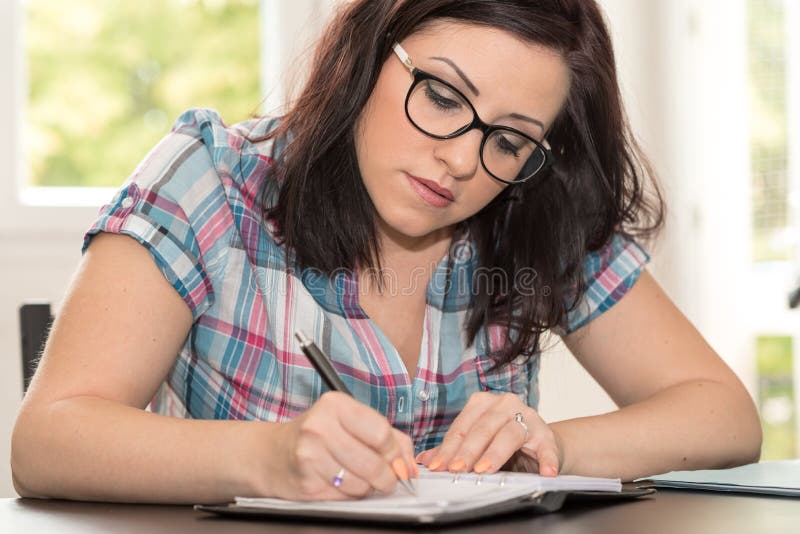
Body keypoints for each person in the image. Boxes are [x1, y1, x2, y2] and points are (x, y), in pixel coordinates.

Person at [11, 0, 762, 504]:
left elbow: (723, 414)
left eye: (507, 139)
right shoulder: (215, 181)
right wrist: (269, 458)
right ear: (370, 53)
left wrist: (548, 443)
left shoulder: (528, 208)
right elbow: (47, 441)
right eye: (440, 96)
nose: (461, 162)